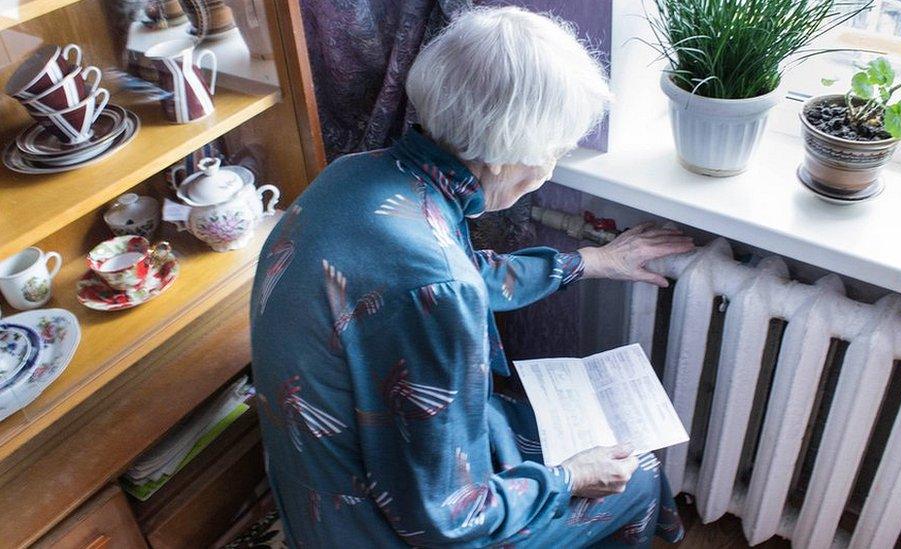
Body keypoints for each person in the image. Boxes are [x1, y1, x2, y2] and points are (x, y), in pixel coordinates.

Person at [250, 7, 693, 547]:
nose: (550, 169)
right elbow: (449, 520)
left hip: (314, 486)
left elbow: (451, 277)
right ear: (508, 157)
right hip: (374, 529)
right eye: (554, 152)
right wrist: (570, 478)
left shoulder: (359, 174)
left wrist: (590, 261)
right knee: (639, 475)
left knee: (526, 421)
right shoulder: (434, 283)